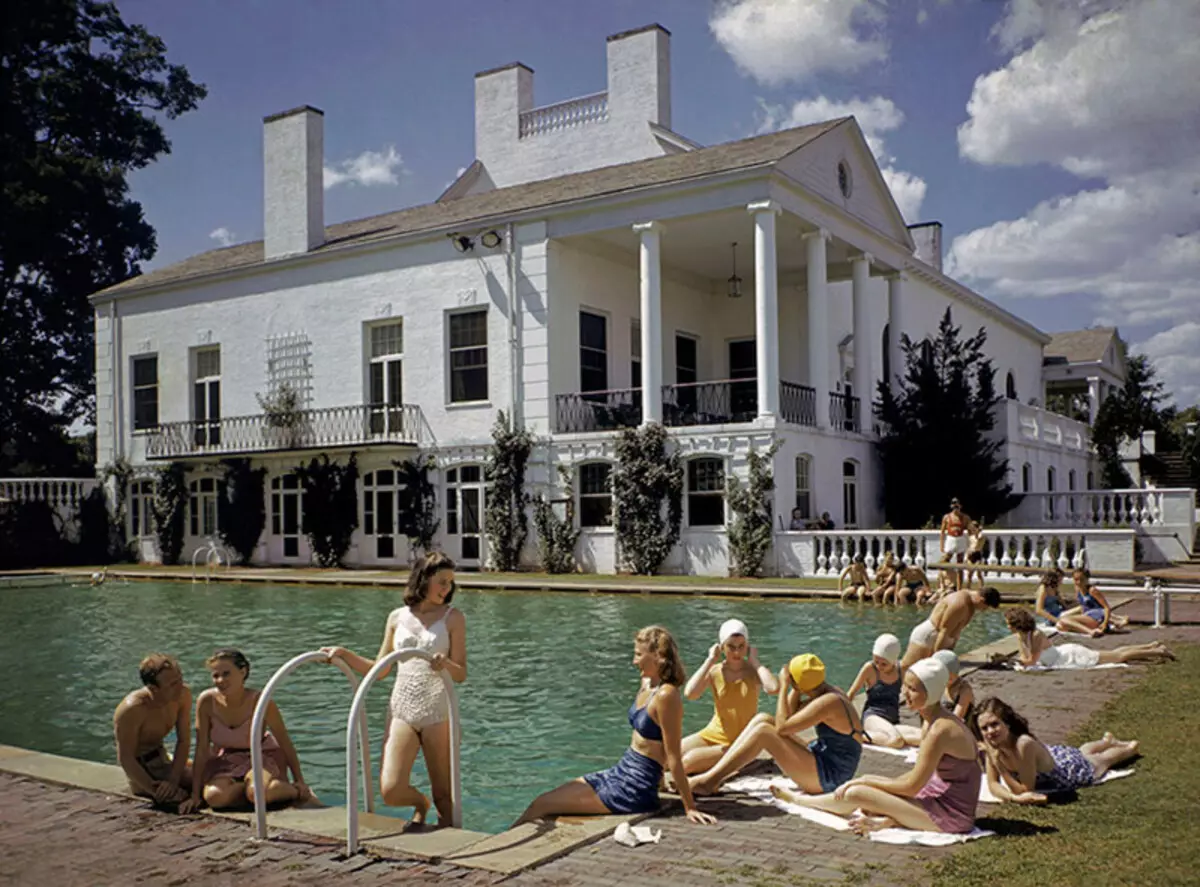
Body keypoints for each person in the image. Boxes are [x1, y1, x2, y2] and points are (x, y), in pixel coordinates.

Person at [513, 626, 716, 826]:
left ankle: (499, 856)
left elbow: (672, 755)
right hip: (620, 772)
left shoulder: (666, 696)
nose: (634, 661)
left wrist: (689, 807)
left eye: (638, 655)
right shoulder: (646, 683)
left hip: (634, 789)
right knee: (542, 801)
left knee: (542, 805)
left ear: (658, 656)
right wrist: (662, 784)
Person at [322, 551, 467, 827]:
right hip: (401, 707)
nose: (447, 589)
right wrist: (345, 655)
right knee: (390, 789)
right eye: (441, 582)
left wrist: (445, 664)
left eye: (450, 583)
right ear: (423, 580)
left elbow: (461, 673)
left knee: (444, 796)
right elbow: (381, 668)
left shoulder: (453, 618)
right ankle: (420, 804)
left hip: (438, 709)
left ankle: (450, 851)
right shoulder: (396, 617)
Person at [774, 658, 981, 835]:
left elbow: (912, 786)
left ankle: (799, 801)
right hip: (936, 796)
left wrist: (867, 780)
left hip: (952, 815)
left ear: (932, 692)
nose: (905, 693)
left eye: (913, 689)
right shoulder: (932, 719)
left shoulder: (939, 730)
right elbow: (915, 778)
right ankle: (887, 821)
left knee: (857, 794)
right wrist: (876, 785)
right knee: (868, 803)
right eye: (905, 686)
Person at [689, 654, 866, 796]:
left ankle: (709, 781)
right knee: (763, 719)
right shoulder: (828, 693)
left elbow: (783, 727)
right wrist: (796, 688)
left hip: (830, 776)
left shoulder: (829, 702)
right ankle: (717, 774)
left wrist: (784, 686)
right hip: (822, 761)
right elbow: (790, 714)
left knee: (765, 732)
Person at [190, 649, 312, 810]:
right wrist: (195, 794)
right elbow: (201, 748)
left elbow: (284, 741)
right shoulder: (206, 701)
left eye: (226, 674)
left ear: (243, 672)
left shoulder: (261, 701)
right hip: (226, 760)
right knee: (214, 797)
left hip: (260, 756)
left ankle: (292, 791)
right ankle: (255, 792)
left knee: (257, 792)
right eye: (215, 675)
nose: (220, 680)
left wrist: (299, 780)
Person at [974, 697, 1141, 803]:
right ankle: (1106, 741)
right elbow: (993, 784)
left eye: (995, 724)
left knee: (1102, 761)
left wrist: (1000, 766)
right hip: (1054, 755)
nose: (990, 732)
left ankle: (1129, 748)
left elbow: (1025, 790)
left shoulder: (1023, 745)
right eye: (984, 728)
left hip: (1066, 771)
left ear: (1007, 724)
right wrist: (1013, 797)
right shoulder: (992, 745)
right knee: (1082, 751)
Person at [680, 619, 779, 775]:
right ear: (722, 647)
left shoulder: (753, 671)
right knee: (667, 756)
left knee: (687, 763)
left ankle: (740, 760)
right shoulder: (715, 671)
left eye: (741, 646)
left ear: (747, 646)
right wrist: (710, 660)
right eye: (731, 647)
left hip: (741, 741)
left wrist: (755, 661)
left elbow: (773, 688)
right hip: (712, 733)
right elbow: (690, 693)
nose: (737, 652)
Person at [113, 654, 197, 812]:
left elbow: (184, 741)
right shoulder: (132, 709)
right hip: (140, 768)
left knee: (205, 777)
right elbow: (126, 757)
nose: (180, 686)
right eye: (172, 684)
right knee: (178, 797)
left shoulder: (182, 695)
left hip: (162, 757)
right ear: (153, 688)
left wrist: (173, 779)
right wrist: (154, 790)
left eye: (180, 679)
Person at [1003, 608, 1174, 669]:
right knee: (1114, 654)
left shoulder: (1036, 634)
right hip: (1063, 657)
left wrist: (1012, 661)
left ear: (1017, 622)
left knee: (1118, 657)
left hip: (1071, 656)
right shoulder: (1021, 636)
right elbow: (1024, 658)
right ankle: (1151, 646)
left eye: (1009, 623)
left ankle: (1158, 651)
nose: (1008, 627)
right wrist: (1009, 660)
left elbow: (1030, 661)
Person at [847, 634, 921, 749]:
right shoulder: (870, 669)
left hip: (892, 720)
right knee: (896, 741)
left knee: (924, 737)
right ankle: (857, 735)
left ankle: (882, 735)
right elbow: (850, 695)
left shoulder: (900, 669)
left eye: (884, 664)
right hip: (873, 717)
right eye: (876, 661)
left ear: (893, 661)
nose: (879, 666)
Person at [901, 586, 1001, 668]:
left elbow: (954, 632)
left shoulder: (971, 604)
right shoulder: (959, 603)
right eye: (986, 607)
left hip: (941, 639)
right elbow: (943, 631)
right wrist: (937, 659)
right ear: (981, 600)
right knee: (907, 667)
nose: (984, 610)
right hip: (928, 635)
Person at [1035, 569, 1101, 636]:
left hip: (1060, 613)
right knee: (1081, 609)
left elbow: (1065, 606)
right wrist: (1055, 620)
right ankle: (1096, 624)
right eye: (1061, 579)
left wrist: (1077, 601)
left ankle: (1094, 623)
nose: (1061, 581)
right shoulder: (1043, 588)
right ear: (1054, 578)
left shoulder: (1055, 589)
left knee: (1082, 607)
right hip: (1051, 618)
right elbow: (1038, 610)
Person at [1070, 568, 1128, 633]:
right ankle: (1116, 621)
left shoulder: (1092, 591)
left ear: (1087, 579)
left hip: (1099, 615)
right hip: (1088, 615)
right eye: (1076, 579)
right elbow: (1083, 606)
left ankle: (1114, 621)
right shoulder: (1077, 589)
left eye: (1082, 579)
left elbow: (1106, 607)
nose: (1079, 582)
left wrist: (1105, 623)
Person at [931, 650, 974, 722]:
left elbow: (957, 717)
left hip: (962, 727)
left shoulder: (964, 690)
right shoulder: (940, 685)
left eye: (949, 678)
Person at [939, 498, 973, 591]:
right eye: (954, 506)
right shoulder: (946, 517)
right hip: (950, 539)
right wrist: (941, 544)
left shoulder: (965, 517)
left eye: (957, 506)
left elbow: (971, 531)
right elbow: (942, 531)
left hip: (960, 539)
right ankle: (943, 584)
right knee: (943, 562)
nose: (955, 508)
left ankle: (959, 587)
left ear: (960, 506)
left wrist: (971, 544)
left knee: (960, 564)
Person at [964, 522, 986, 590]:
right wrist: (966, 556)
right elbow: (969, 547)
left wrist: (978, 532)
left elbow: (978, 542)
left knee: (978, 574)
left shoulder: (981, 536)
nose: (972, 530)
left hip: (977, 555)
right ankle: (968, 588)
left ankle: (981, 588)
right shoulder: (970, 537)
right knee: (969, 574)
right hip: (971, 556)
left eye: (974, 528)